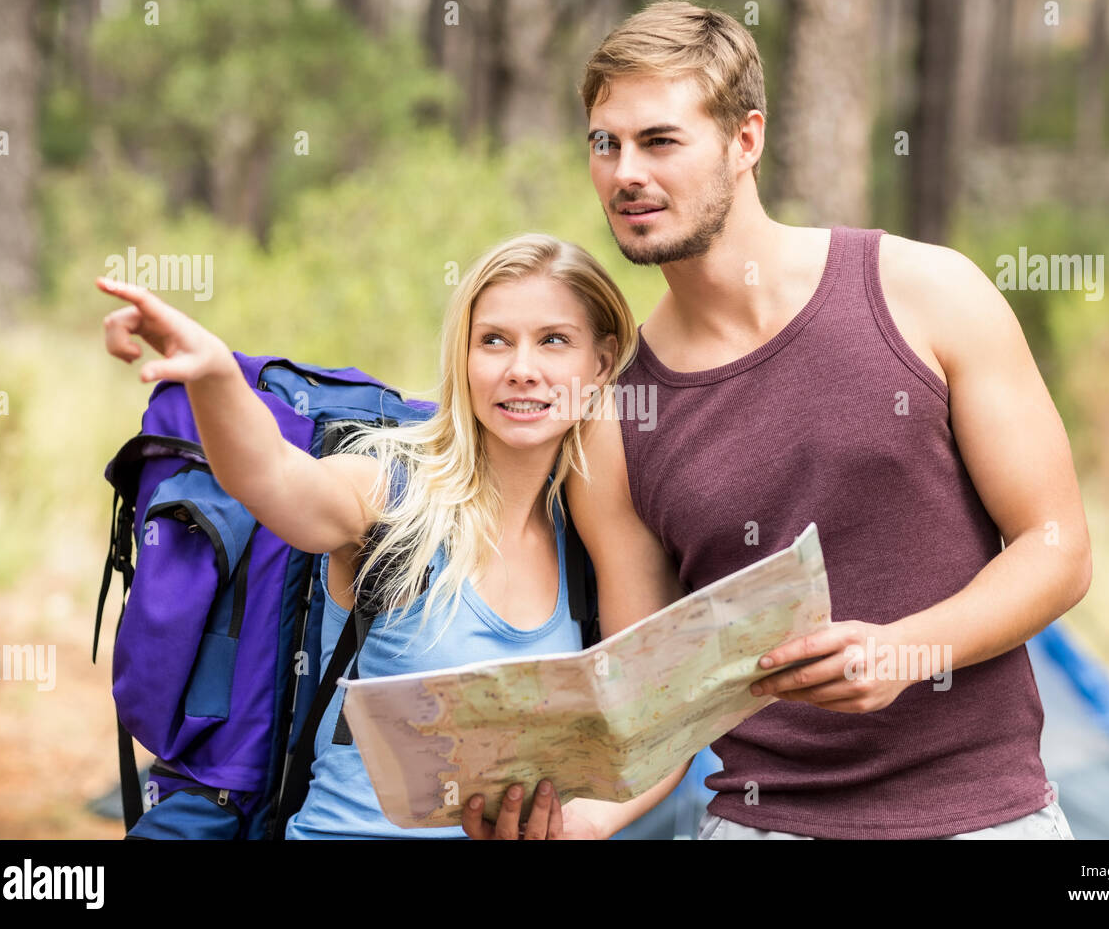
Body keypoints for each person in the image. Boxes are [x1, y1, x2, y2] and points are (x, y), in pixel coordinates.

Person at [472, 1, 1090, 840]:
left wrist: (905, 652)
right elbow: (659, 705)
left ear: (746, 140)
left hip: (988, 819)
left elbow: (1058, 550)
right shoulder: (612, 423)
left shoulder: (929, 294)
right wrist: (572, 824)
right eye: (603, 143)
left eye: (659, 141)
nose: (624, 173)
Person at [98, 232, 688, 839]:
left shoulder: (591, 537)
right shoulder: (393, 494)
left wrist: (583, 827)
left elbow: (657, 720)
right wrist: (215, 375)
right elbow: (274, 478)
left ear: (598, 363)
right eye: (493, 341)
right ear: (463, 358)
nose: (521, 370)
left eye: (554, 341)